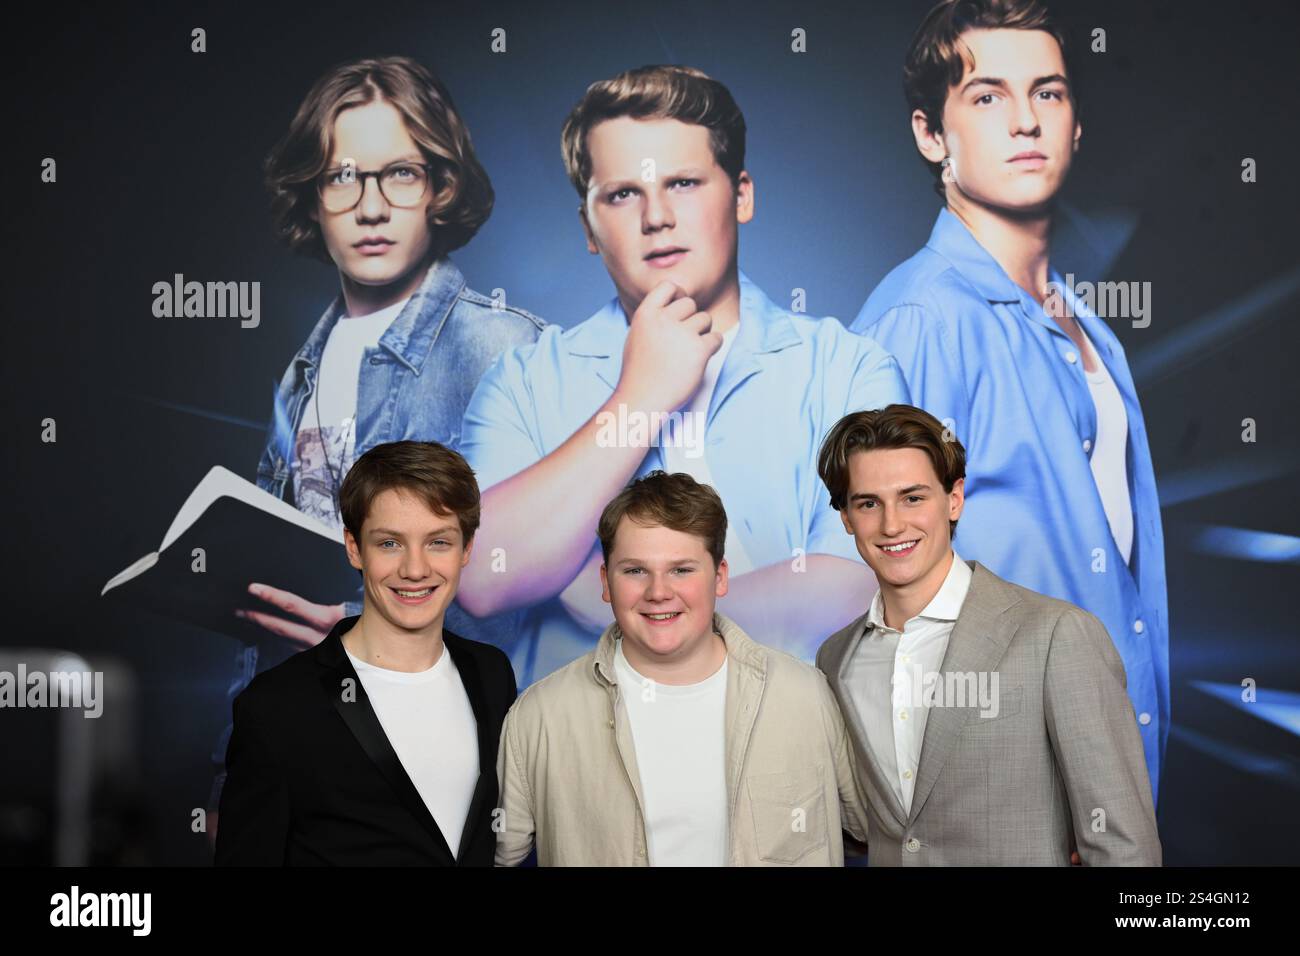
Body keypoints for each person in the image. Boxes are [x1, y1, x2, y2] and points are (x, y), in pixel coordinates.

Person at [458, 64, 908, 683]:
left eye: (684, 183)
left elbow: (860, 584)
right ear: (588, 227)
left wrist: (627, 604)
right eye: (622, 194)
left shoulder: (848, 368)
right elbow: (481, 575)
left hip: (784, 760)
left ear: (742, 195)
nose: (657, 216)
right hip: (590, 766)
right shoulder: (523, 380)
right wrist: (640, 396)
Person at [208, 55, 544, 827]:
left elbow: (538, 584)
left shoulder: (506, 350)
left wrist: (373, 635)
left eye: (399, 174)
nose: (370, 207)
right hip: (304, 766)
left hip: (436, 775)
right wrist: (235, 772)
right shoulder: (300, 372)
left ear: (441, 188)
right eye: (342, 178)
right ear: (313, 199)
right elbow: (267, 604)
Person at [852, 0, 1167, 804]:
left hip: (1116, 772)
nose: (1026, 120)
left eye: (1049, 93)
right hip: (1001, 793)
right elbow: (868, 577)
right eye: (988, 96)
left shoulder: (1093, 328)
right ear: (932, 134)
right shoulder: (919, 319)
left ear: (1076, 124)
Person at [815, 406, 1161, 865]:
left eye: (913, 498)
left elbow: (1124, 845)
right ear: (845, 518)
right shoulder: (837, 660)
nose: (892, 525)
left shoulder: (1056, 635)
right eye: (868, 503)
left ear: (954, 498)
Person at [494, 471, 869, 866]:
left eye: (682, 570)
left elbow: (871, 831)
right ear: (606, 582)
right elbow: (496, 855)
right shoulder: (540, 716)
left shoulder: (805, 695)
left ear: (720, 577)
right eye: (635, 570)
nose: (659, 592)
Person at [215, 441, 516, 865]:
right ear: (355, 548)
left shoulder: (491, 673)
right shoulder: (278, 705)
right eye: (390, 543)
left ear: (466, 549)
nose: (415, 569)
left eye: (438, 542)